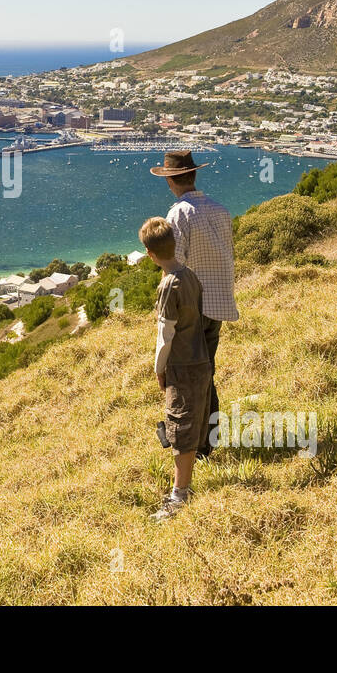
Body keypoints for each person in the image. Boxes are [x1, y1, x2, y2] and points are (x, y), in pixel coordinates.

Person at [138, 216, 213, 520]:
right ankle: (185, 488)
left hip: (181, 364)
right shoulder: (191, 275)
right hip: (202, 360)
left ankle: (179, 496)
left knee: (179, 429)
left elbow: (165, 334)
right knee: (192, 426)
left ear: (151, 255)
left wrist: (159, 368)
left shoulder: (169, 285)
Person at [149, 150, 237, 380]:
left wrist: (162, 305)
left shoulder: (179, 214)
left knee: (186, 375)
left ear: (169, 180)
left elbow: (172, 265)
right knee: (207, 371)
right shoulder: (221, 210)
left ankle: (191, 416)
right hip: (219, 301)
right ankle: (210, 416)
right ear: (193, 176)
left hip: (191, 306)